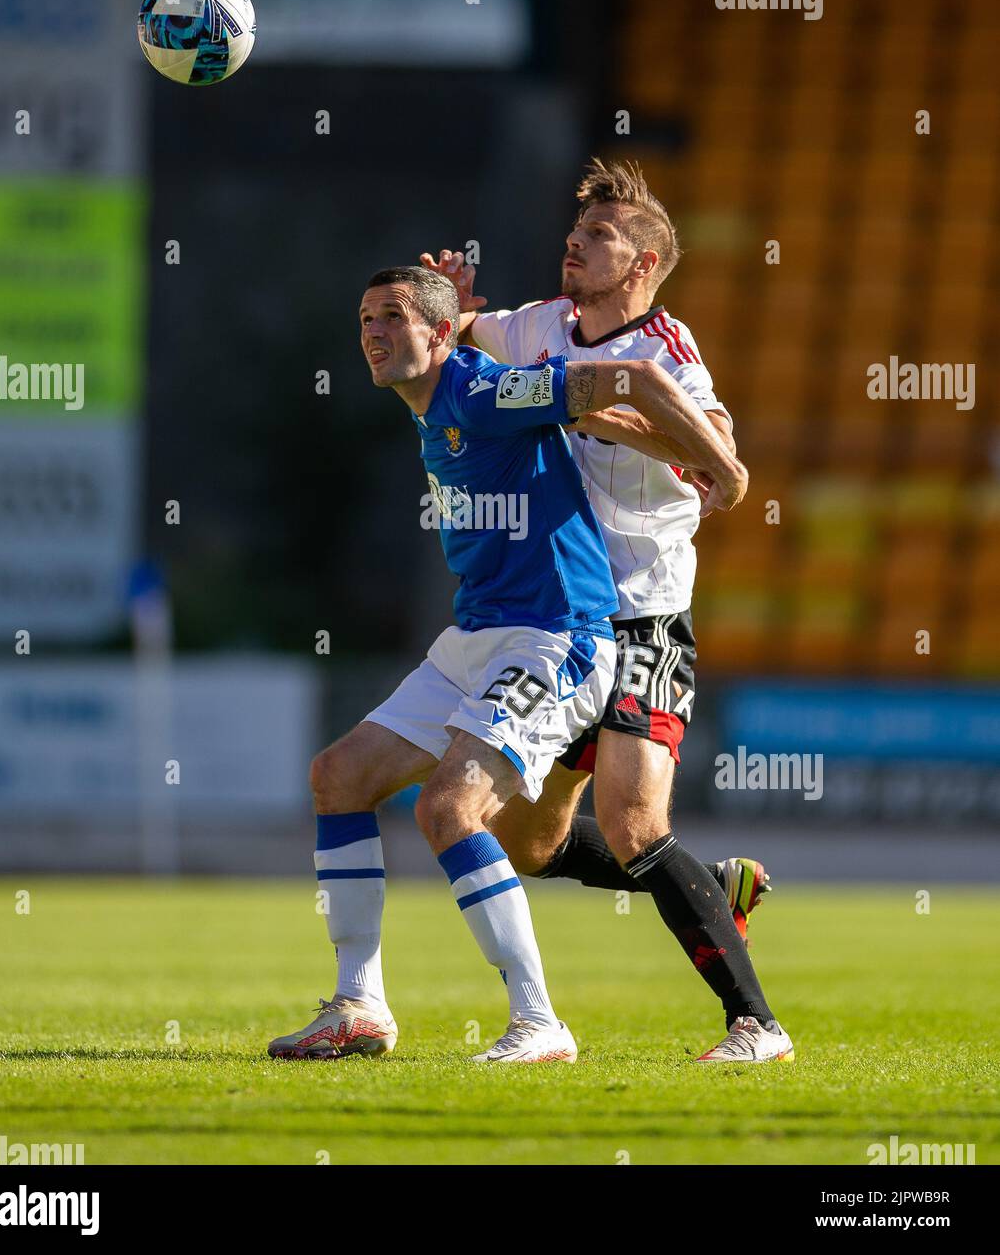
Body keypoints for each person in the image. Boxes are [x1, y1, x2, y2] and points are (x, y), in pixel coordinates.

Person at [267, 264, 747, 1063]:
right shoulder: (433, 406)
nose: (374, 333)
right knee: (337, 777)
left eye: (393, 316)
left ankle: (539, 1021)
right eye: (364, 319)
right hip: (477, 638)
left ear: (440, 333)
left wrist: (722, 469)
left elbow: (629, 374)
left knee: (450, 807)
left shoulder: (487, 392)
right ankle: (359, 1004)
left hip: (557, 636)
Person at [420, 158, 794, 1062]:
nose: (574, 245)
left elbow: (715, 454)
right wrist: (448, 306)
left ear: (645, 262)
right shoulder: (540, 326)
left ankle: (757, 1024)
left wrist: (600, 408)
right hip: (558, 620)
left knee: (632, 825)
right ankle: (710, 885)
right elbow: (445, 341)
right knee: (533, 845)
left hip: (643, 616)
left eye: (598, 237)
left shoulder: (669, 352)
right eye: (573, 234)